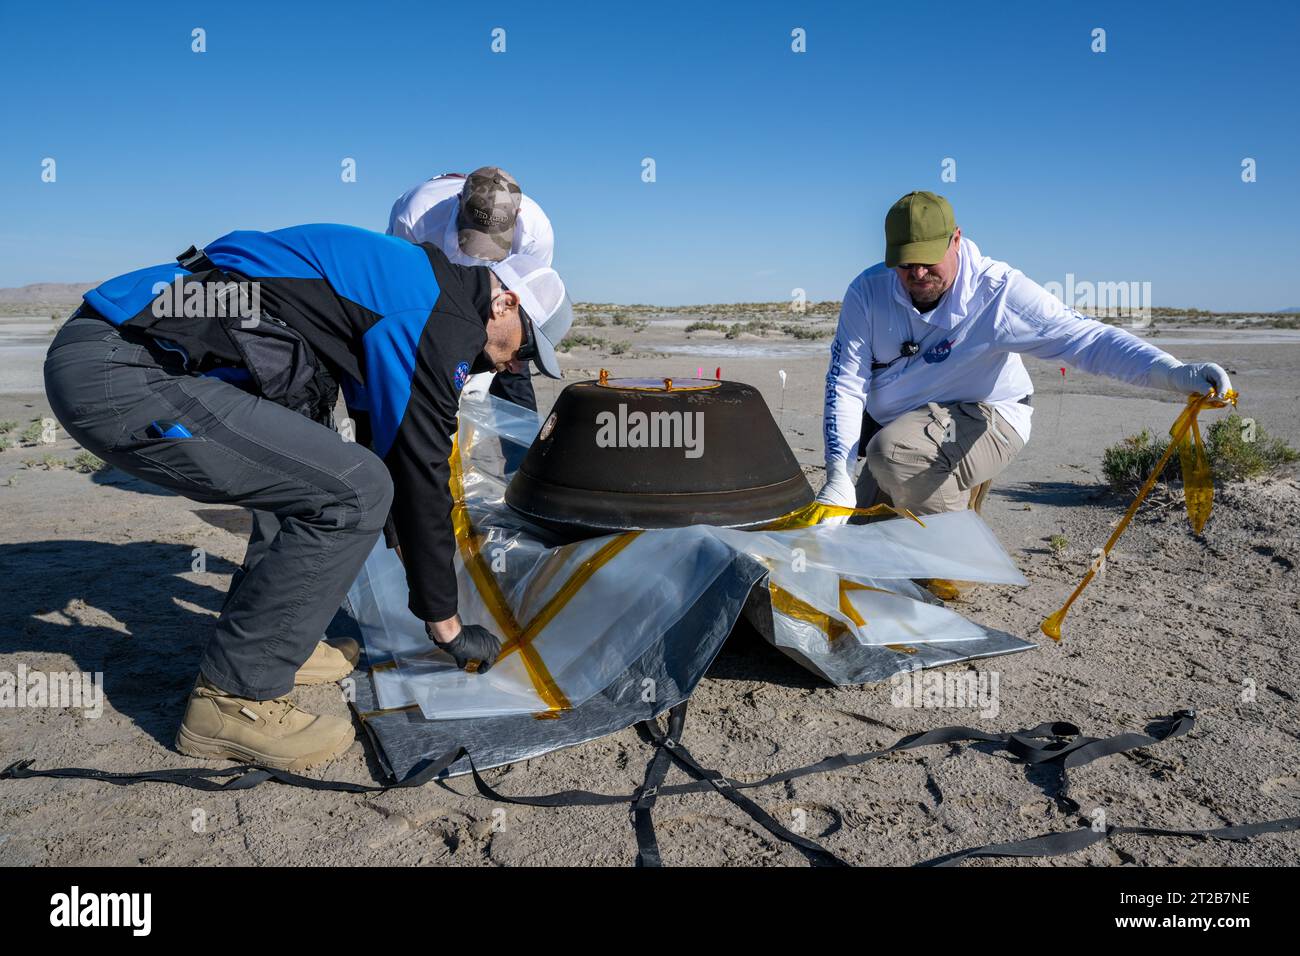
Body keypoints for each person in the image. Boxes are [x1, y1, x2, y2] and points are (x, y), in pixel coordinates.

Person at [43, 224, 573, 770]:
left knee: (318, 472)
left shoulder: (419, 285)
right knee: (355, 490)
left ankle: (274, 641)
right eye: (526, 349)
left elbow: (385, 437)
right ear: (504, 301)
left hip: (127, 350)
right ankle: (234, 698)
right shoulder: (440, 317)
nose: (516, 367)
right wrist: (445, 624)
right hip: (125, 369)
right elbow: (417, 469)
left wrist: (403, 545)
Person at [817, 191, 1231, 558]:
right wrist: (838, 473)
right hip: (907, 426)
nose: (917, 275)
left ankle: (962, 565)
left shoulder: (999, 292)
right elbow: (847, 383)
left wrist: (1174, 373)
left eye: (927, 261)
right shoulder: (867, 292)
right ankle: (944, 499)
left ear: (956, 239)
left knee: (893, 457)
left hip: (988, 416)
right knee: (859, 543)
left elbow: (1088, 340)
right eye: (905, 264)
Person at [388, 167, 554, 421]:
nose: (478, 254)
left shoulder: (536, 232)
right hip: (431, 294)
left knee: (513, 369)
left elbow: (527, 307)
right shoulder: (415, 215)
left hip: (497, 307)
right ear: (459, 202)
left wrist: (490, 365)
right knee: (418, 378)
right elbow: (405, 294)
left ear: (517, 215)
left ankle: (521, 459)